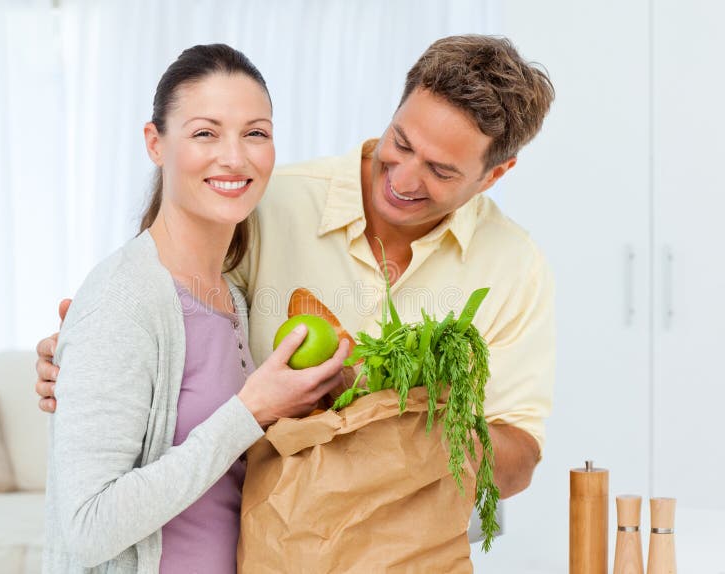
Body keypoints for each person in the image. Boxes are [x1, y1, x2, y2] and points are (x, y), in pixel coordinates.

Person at [37, 34, 555, 503]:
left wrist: (398, 425)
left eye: (441, 171)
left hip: (413, 551)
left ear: (495, 174)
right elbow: (171, 320)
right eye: (400, 143)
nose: (403, 178)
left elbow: (519, 454)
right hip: (266, 542)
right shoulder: (267, 203)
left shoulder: (512, 266)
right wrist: (89, 361)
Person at [41, 44, 349, 573]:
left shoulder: (232, 296)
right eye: (205, 132)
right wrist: (250, 410)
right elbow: (87, 528)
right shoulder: (123, 298)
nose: (234, 156)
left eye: (256, 132)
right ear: (155, 143)